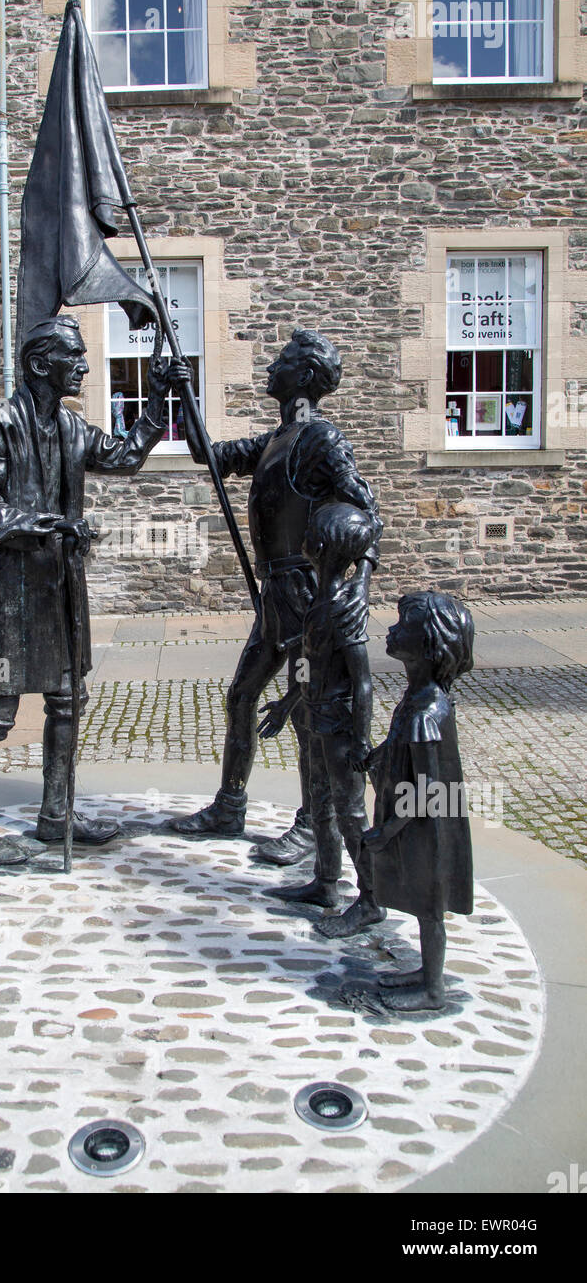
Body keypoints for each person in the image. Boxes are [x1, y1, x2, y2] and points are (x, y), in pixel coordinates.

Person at [0, 313, 180, 866]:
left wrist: (156, 400)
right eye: (72, 357)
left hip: (59, 585)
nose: (82, 365)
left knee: (67, 700)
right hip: (11, 587)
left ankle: (56, 814)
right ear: (38, 365)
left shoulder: (74, 428)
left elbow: (125, 457)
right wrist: (51, 525)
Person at [166, 327, 381, 854]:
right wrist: (181, 392)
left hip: (306, 595)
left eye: (282, 359)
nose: (270, 366)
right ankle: (230, 806)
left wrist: (362, 583)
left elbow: (367, 512)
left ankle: (313, 824)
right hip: (276, 600)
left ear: (304, 377)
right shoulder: (276, 439)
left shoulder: (321, 440)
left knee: (309, 710)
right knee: (242, 696)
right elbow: (209, 456)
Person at [257, 502, 385, 936]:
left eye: (309, 532)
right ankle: (325, 883)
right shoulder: (320, 604)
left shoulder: (344, 611)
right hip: (314, 720)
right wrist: (288, 702)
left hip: (338, 728)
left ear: (323, 547)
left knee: (351, 815)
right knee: (321, 806)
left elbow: (363, 682)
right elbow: (309, 665)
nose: (302, 537)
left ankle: (370, 901)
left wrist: (362, 741)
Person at [360, 592, 475, 1011]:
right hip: (420, 820)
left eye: (402, 625)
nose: (391, 630)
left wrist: (385, 832)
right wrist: (376, 756)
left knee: (430, 908)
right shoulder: (417, 699)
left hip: (426, 826)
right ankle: (426, 975)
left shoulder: (425, 713)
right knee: (424, 905)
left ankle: (432, 987)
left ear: (427, 643)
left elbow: (427, 788)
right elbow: (398, 746)